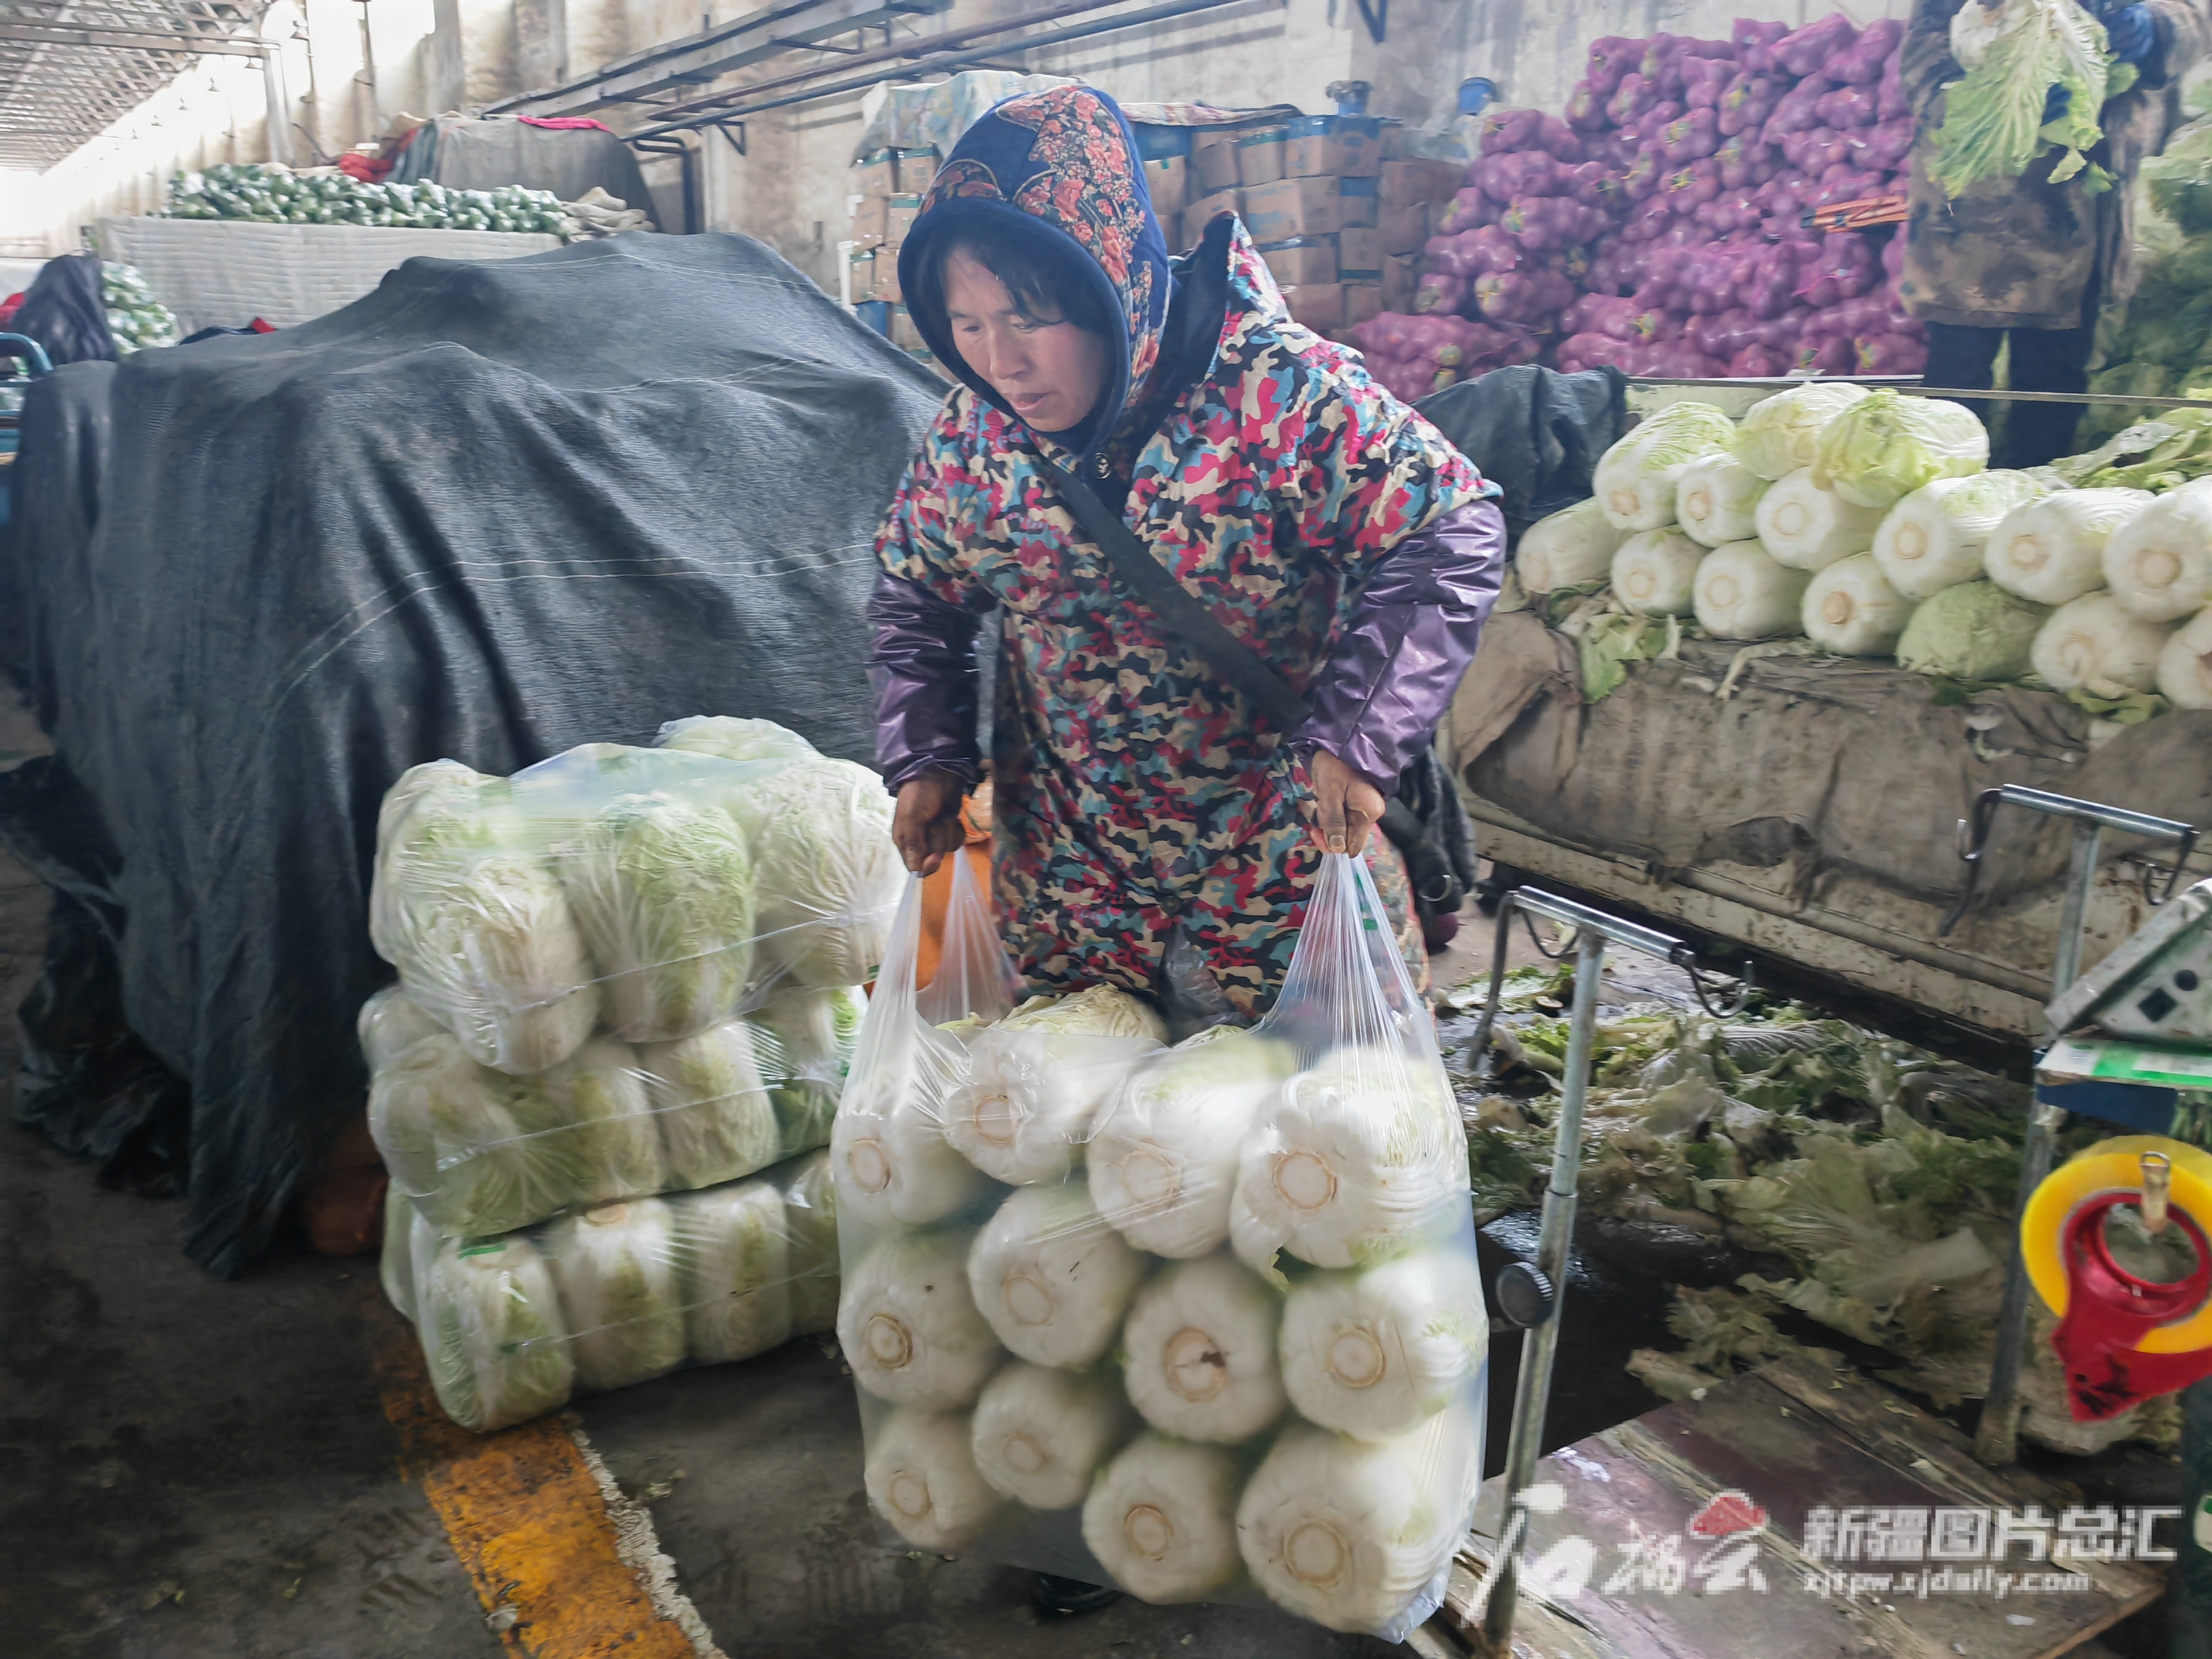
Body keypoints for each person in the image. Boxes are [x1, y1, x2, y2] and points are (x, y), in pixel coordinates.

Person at [869, 85, 1506, 1062]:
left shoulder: (1277, 389)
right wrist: (927, 756)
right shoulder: (974, 435)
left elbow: (1445, 525)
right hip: (1076, 891)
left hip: (1283, 875)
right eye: (965, 323)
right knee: (1091, 1173)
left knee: (1328, 1164)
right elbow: (919, 590)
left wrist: (1361, 730)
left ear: (1109, 284)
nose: (999, 360)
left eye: (1027, 319)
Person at [1900, 0, 2211, 467]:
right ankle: (1941, 512)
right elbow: (1921, 65)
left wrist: (2153, 29)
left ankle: (2031, 506)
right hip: (1975, 210)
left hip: (2085, 201)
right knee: (1958, 375)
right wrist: (2002, 95)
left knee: (2054, 378)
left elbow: (2195, 17)